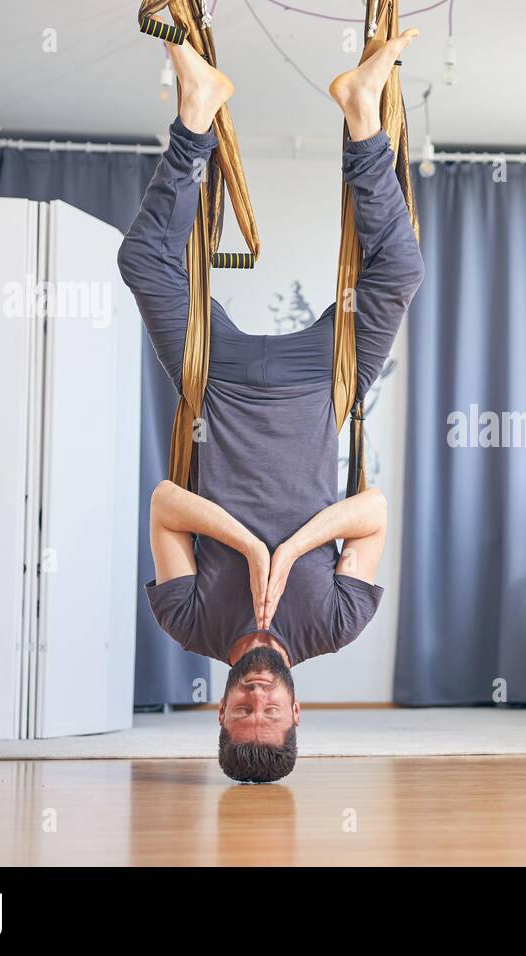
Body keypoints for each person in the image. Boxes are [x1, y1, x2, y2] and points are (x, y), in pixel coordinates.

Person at [116, 29, 424, 783]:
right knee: (399, 267)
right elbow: (373, 510)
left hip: (214, 378)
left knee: (143, 262)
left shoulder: (187, 622)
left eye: (243, 712)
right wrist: (290, 549)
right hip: (323, 381)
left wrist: (253, 549)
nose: (256, 698)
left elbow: (164, 503)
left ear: (219, 714)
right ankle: (361, 112)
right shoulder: (336, 624)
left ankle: (196, 112)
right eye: (269, 713)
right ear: (296, 713)